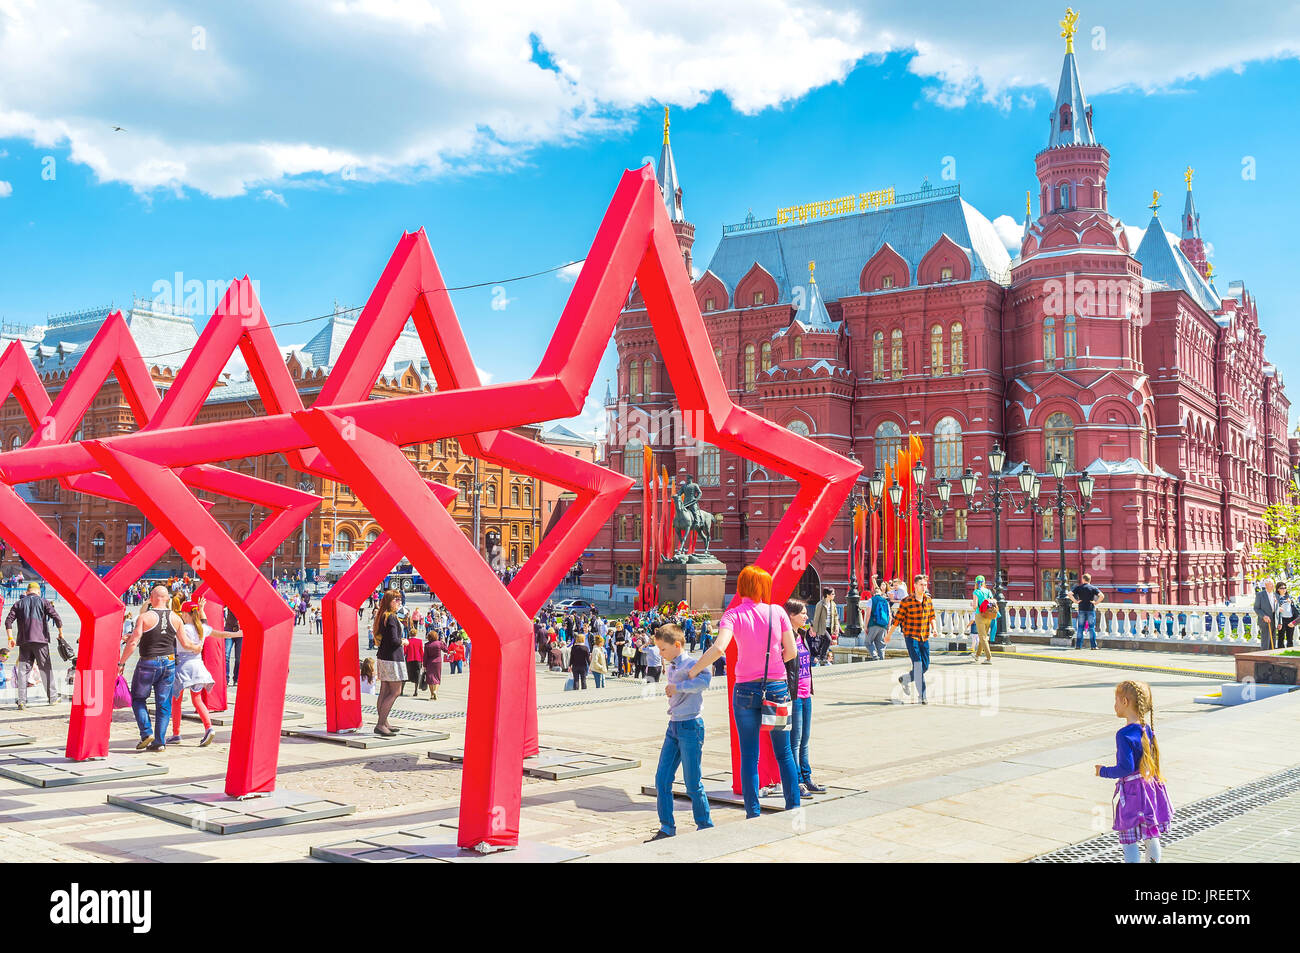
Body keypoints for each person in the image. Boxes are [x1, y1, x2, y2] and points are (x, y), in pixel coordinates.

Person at [689, 565, 800, 817]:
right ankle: (793, 806)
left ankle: (753, 812)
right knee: (783, 752)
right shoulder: (777, 612)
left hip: (744, 691)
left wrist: (693, 670)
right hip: (776, 688)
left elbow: (719, 649)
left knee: (749, 755)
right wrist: (773, 666)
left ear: (742, 587)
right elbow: (791, 651)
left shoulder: (733, 615)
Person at [646, 623, 713, 841]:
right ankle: (667, 827)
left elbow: (705, 681)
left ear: (676, 645)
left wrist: (678, 688)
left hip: (691, 726)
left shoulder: (692, 662)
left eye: (663, 649)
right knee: (662, 779)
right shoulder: (672, 664)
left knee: (692, 782)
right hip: (673, 726)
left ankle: (705, 825)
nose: (661, 654)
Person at [1095, 679, 1173, 863]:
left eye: (1116, 700)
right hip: (1150, 789)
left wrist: (1103, 771)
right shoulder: (1147, 730)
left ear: (1124, 702)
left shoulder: (1123, 734)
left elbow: (1125, 768)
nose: (1114, 705)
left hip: (1132, 795)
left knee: (1129, 841)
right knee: (1151, 836)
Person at [120, 584, 181, 751]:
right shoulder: (176, 618)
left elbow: (134, 642)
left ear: (152, 599)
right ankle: (159, 742)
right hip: (169, 662)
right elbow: (185, 643)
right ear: (167, 599)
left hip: (148, 662)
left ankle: (146, 733)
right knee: (164, 703)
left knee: (138, 698)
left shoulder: (145, 617)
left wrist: (122, 662)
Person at [784, 599, 827, 796]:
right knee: (795, 739)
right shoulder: (785, 637)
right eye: (802, 613)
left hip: (805, 694)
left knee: (805, 739)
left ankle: (807, 777)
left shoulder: (802, 636)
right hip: (792, 696)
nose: (806, 616)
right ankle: (797, 782)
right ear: (791, 615)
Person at [5, 581, 63, 709]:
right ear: (38, 592)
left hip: (24, 641)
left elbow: (8, 621)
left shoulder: (19, 603)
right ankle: (52, 697)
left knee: (23, 671)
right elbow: (57, 617)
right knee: (45, 669)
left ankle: (22, 701)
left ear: (27, 592)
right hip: (40, 641)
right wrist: (60, 633)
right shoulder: (43, 601)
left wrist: (10, 637)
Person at [166, 599, 217, 747]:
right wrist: (237, 634)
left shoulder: (184, 628)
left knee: (176, 701)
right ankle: (209, 727)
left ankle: (176, 733)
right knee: (197, 699)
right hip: (198, 667)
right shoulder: (200, 628)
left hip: (183, 667)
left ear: (185, 614)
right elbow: (209, 626)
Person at [888, 573, 937, 704]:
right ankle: (922, 696)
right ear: (915, 585)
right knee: (919, 665)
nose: (923, 587)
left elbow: (932, 616)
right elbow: (897, 620)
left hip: (924, 636)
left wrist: (935, 628)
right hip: (911, 637)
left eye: (925, 585)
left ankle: (906, 679)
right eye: (921, 585)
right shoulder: (907, 601)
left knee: (925, 666)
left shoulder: (928, 600)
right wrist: (888, 635)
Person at [371, 590, 408, 736]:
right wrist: (403, 641)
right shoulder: (391, 617)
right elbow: (394, 641)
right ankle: (381, 724)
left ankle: (383, 721)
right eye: (396, 600)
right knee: (395, 691)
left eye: (399, 599)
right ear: (389, 601)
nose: (399, 602)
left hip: (383, 657)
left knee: (385, 690)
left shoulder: (382, 615)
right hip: (393, 658)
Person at [1070, 572, 1104, 650]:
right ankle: (1093, 646)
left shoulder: (1079, 587)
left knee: (1080, 628)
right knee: (1091, 628)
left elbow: (1069, 594)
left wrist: (1075, 601)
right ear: (1089, 580)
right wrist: (1096, 602)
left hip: (1081, 609)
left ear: (1083, 579)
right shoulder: (1093, 588)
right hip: (1090, 609)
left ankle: (1078, 645)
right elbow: (1102, 596)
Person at [809, 587, 839, 666]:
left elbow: (836, 616)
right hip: (822, 627)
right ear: (827, 595)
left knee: (823, 643)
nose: (834, 595)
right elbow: (816, 617)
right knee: (829, 640)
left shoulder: (833, 604)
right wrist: (814, 630)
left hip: (830, 627)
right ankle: (822, 658)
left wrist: (836, 626)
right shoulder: (820, 604)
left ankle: (819, 658)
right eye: (832, 594)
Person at [970, 575, 996, 664]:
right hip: (989, 615)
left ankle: (989, 658)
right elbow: (993, 602)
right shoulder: (988, 591)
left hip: (980, 616)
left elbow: (975, 606)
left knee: (982, 637)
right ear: (984, 582)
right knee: (983, 636)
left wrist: (972, 604)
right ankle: (977, 656)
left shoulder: (976, 592)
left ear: (976, 583)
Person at [865, 583, 892, 661]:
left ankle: (875, 657)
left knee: (868, 642)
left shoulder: (871, 600)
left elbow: (868, 614)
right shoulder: (885, 602)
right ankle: (882, 659)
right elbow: (890, 616)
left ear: (873, 593)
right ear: (880, 593)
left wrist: (865, 626)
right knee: (880, 644)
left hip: (873, 624)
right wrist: (888, 627)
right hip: (883, 625)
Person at [1253, 578, 1279, 651]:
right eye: (1270, 584)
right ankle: (1264, 658)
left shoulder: (1276, 595)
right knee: (1265, 641)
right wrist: (1263, 616)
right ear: (1266, 585)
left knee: (1273, 640)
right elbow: (1256, 608)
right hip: (1265, 621)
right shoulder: (1260, 595)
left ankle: (1272, 657)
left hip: (1274, 620)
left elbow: (1277, 609)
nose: (1272, 586)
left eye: (1273, 584)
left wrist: (1279, 622)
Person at [402, 621, 424, 697]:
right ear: (416, 634)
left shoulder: (407, 641)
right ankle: (415, 691)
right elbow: (421, 652)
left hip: (409, 660)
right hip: (418, 660)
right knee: (417, 675)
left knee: (407, 674)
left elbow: (405, 652)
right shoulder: (420, 641)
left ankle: (401, 690)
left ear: (410, 634)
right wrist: (422, 661)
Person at [223, 605, 243, 687]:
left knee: (239, 658)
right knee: (226, 655)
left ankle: (236, 679)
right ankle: (225, 679)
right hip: (229, 629)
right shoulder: (231, 598)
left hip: (240, 630)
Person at [422, 630, 444, 701]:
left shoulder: (427, 645)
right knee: (437, 677)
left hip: (430, 662)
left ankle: (431, 694)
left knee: (430, 678)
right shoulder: (439, 643)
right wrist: (443, 642)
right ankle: (435, 691)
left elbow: (425, 656)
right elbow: (446, 650)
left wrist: (424, 665)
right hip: (438, 662)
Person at [1277, 582, 1297, 649]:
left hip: (1290, 619)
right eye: (1281, 588)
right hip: (1282, 619)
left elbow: (1294, 607)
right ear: (1278, 589)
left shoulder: (1289, 597)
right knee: (1281, 637)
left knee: (1290, 637)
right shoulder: (1277, 597)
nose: (1283, 589)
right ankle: (1280, 651)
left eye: (1285, 588)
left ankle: (1290, 650)